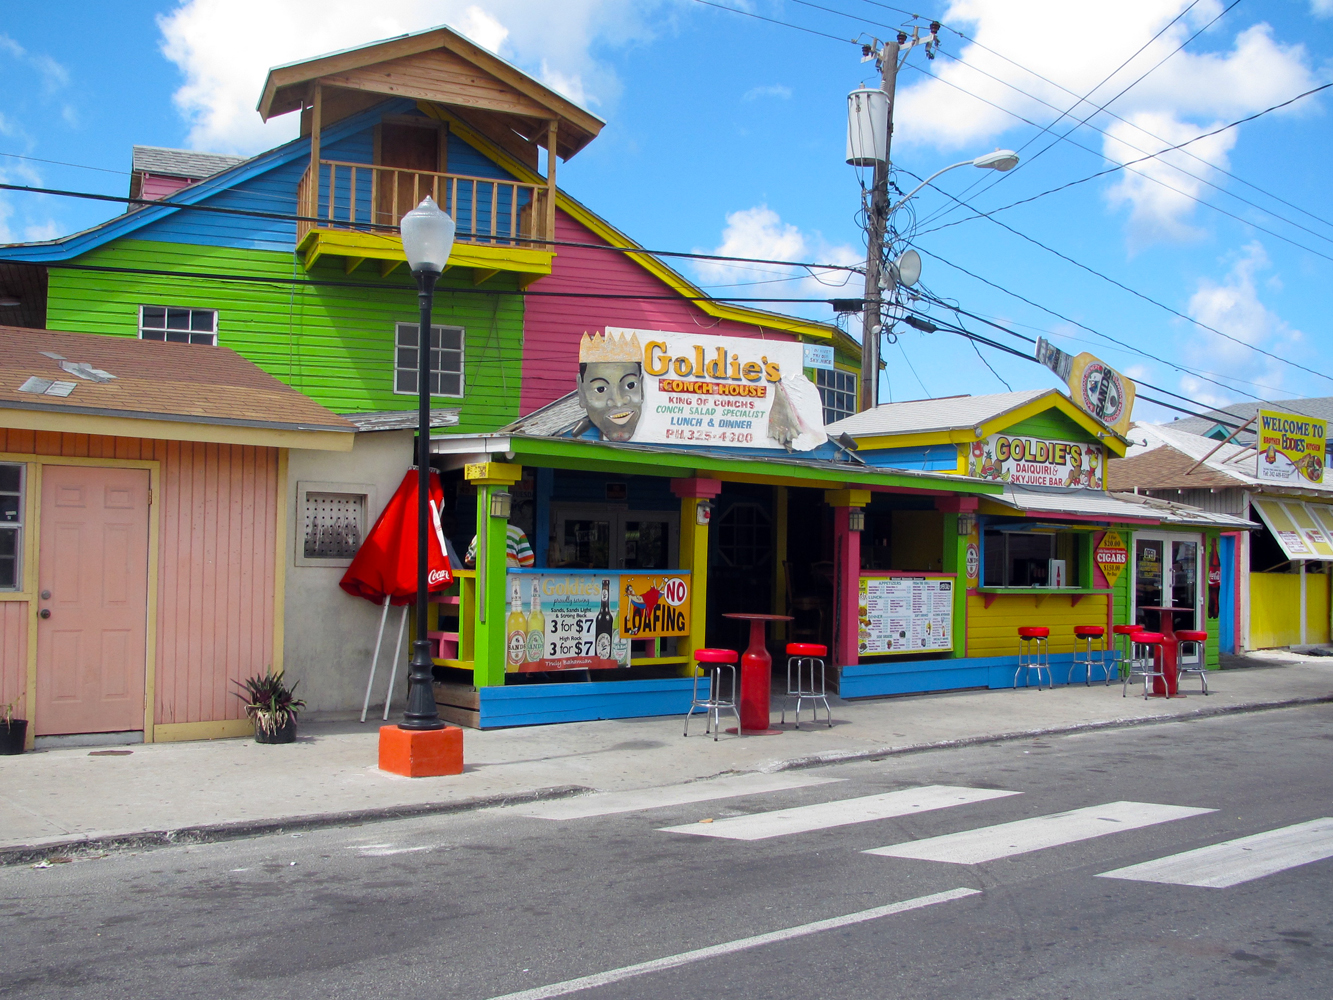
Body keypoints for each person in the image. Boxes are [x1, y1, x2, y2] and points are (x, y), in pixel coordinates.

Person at [465, 523, 534, 569]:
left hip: (485, 582)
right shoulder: (517, 532)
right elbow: (528, 562)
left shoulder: (482, 533)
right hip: (512, 582)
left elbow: (469, 560)